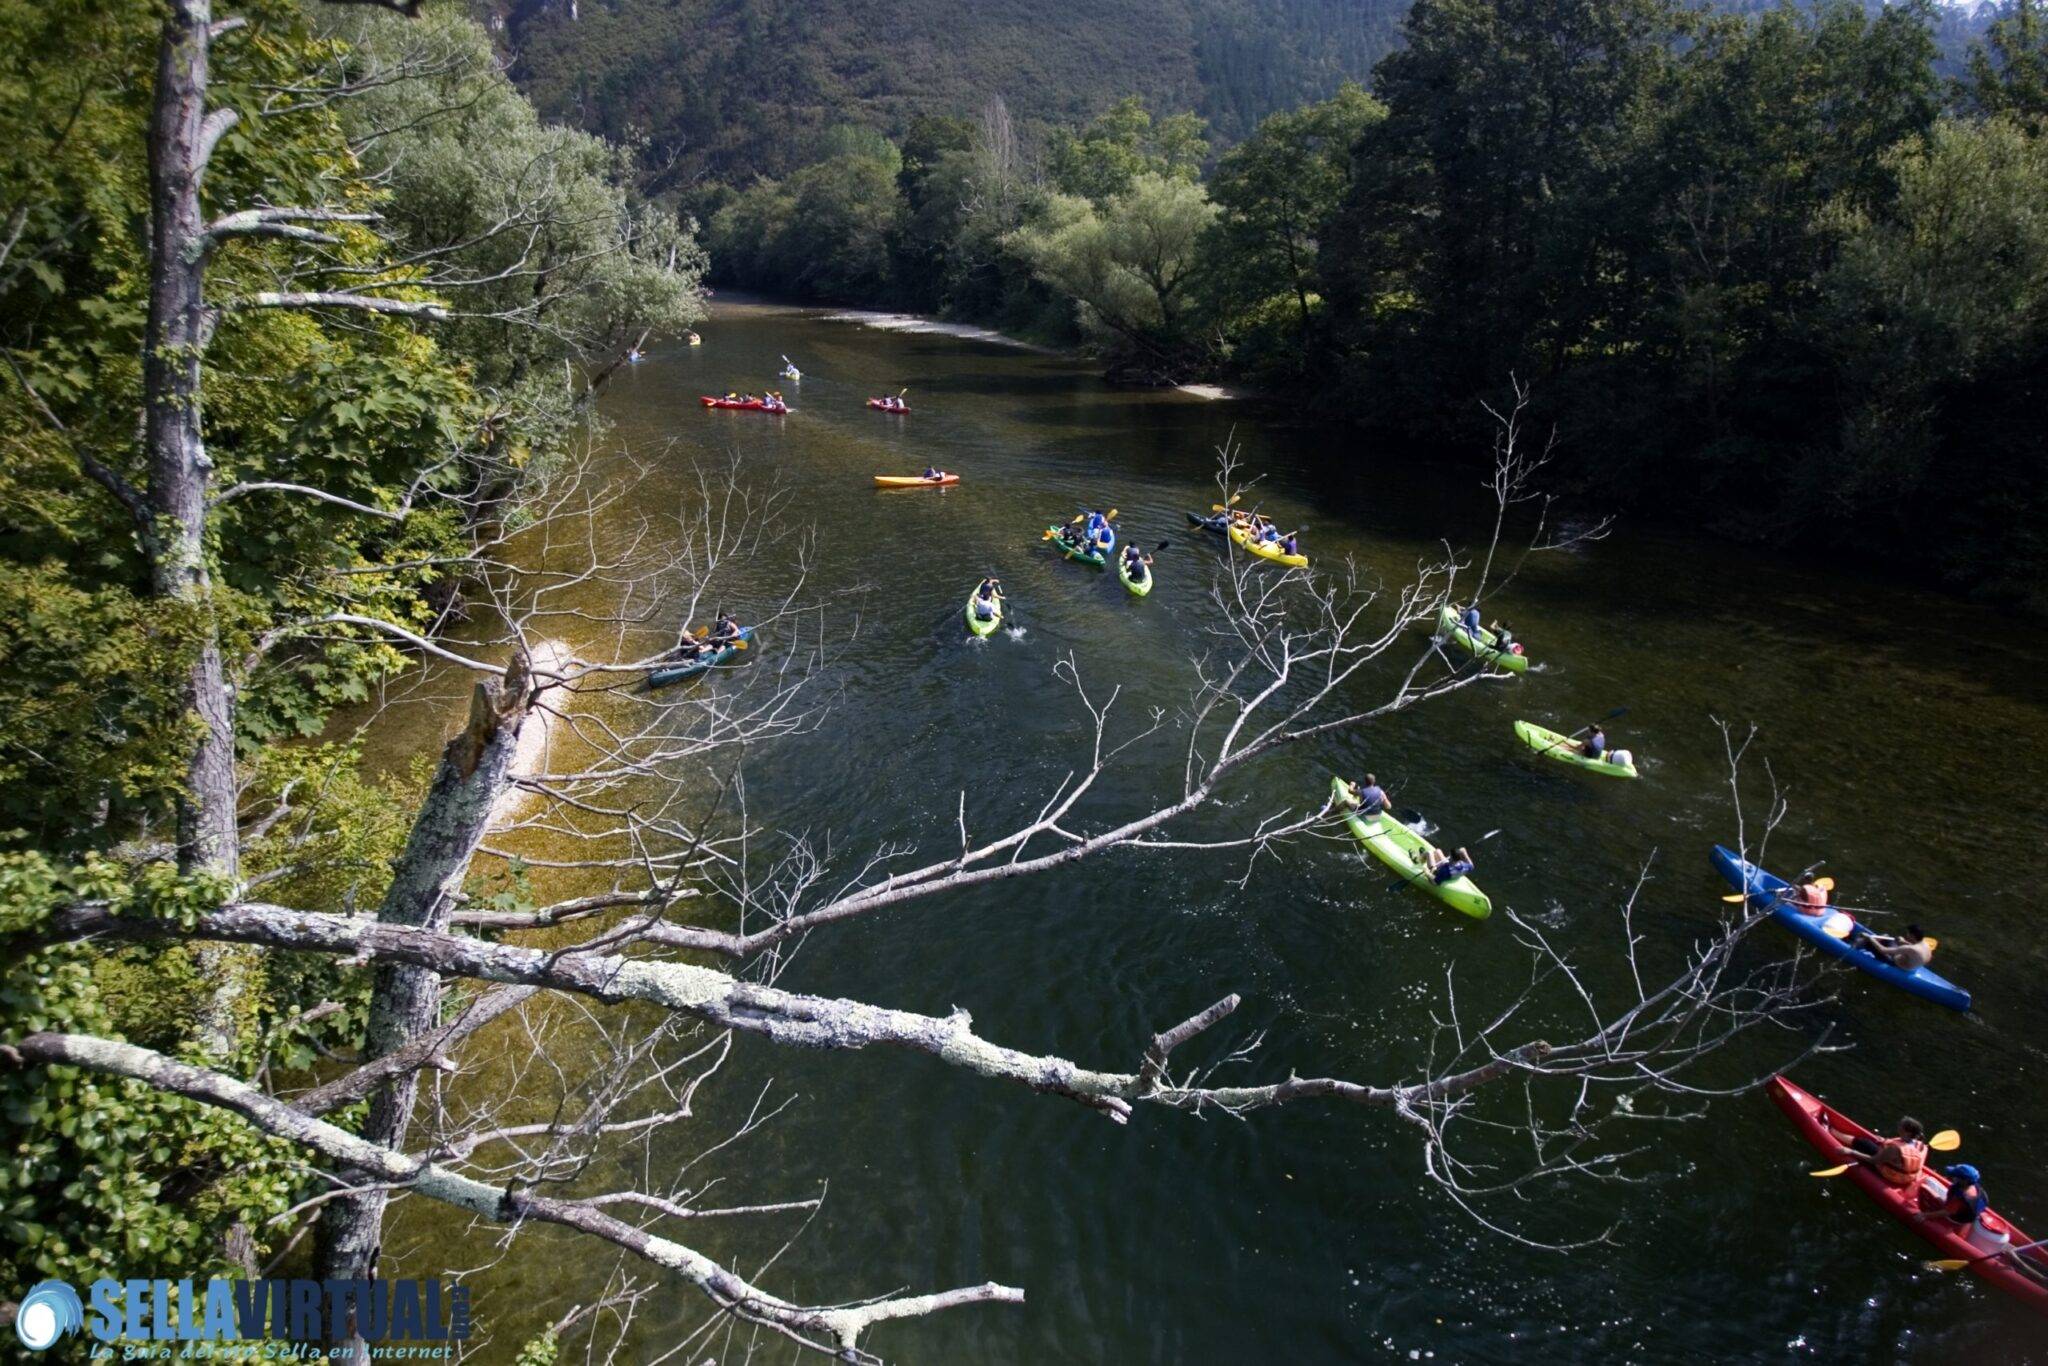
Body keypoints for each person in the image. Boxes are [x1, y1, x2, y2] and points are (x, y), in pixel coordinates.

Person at [1832, 1115, 1927, 1187]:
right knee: (1873, 1144)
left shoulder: (1894, 1149)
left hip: (1891, 1176)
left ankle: (1831, 1131)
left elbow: (1873, 1160)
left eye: (1900, 1125)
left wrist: (1850, 1152)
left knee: (1863, 1143)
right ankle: (1838, 1134)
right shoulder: (1920, 1145)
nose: (1898, 1125)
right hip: (1909, 1178)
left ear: (1907, 1132)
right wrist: (1885, 1141)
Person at [1855, 924, 1934, 970]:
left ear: (1912, 935)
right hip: (1911, 965)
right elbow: (1915, 950)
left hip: (1895, 964)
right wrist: (1903, 942)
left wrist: (1870, 938)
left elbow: (1883, 950)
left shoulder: (1910, 948)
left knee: (1871, 944)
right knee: (1887, 937)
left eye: (1908, 933)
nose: (1906, 935)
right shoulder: (1926, 944)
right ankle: (1873, 939)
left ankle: (1855, 945)